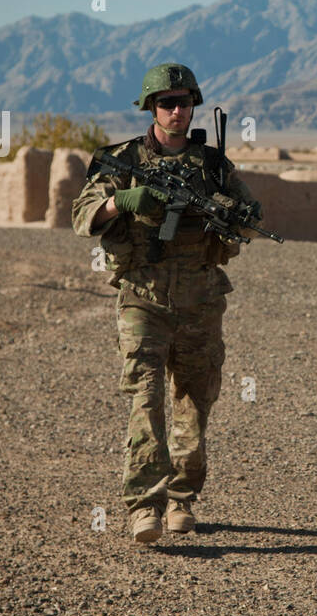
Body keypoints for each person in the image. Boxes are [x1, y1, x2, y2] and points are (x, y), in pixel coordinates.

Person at [72, 63, 263, 544]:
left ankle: (181, 499)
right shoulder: (119, 161)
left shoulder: (215, 165)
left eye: (184, 102)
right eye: (166, 103)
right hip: (143, 297)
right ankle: (144, 506)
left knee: (195, 404)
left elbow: (248, 220)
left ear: (195, 104)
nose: (177, 111)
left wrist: (232, 216)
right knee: (146, 397)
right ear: (150, 108)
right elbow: (82, 217)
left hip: (201, 299)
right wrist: (124, 201)